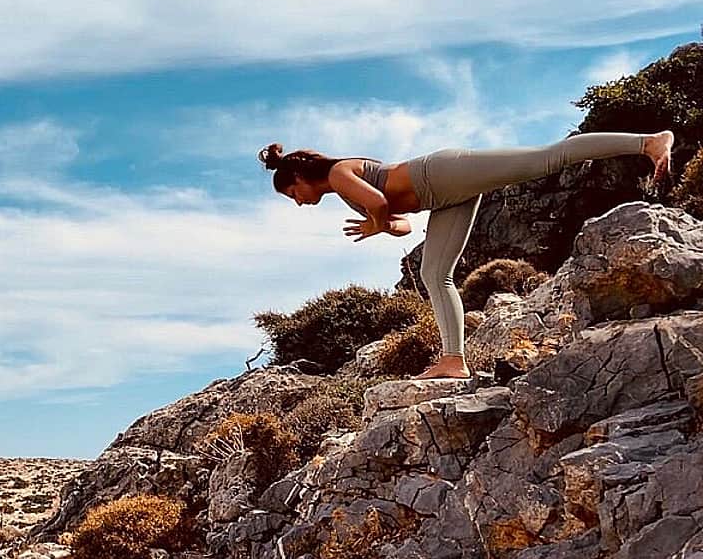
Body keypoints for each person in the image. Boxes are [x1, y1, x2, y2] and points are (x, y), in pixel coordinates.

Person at [258, 130, 675, 380]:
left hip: (440, 173)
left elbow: (382, 208)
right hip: (443, 200)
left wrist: (376, 221)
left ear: (297, 178)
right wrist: (381, 225)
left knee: (545, 159)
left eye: (292, 193)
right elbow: (400, 222)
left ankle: (648, 142)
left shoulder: (338, 173)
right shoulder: (344, 192)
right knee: (434, 273)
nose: (297, 202)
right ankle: (453, 360)